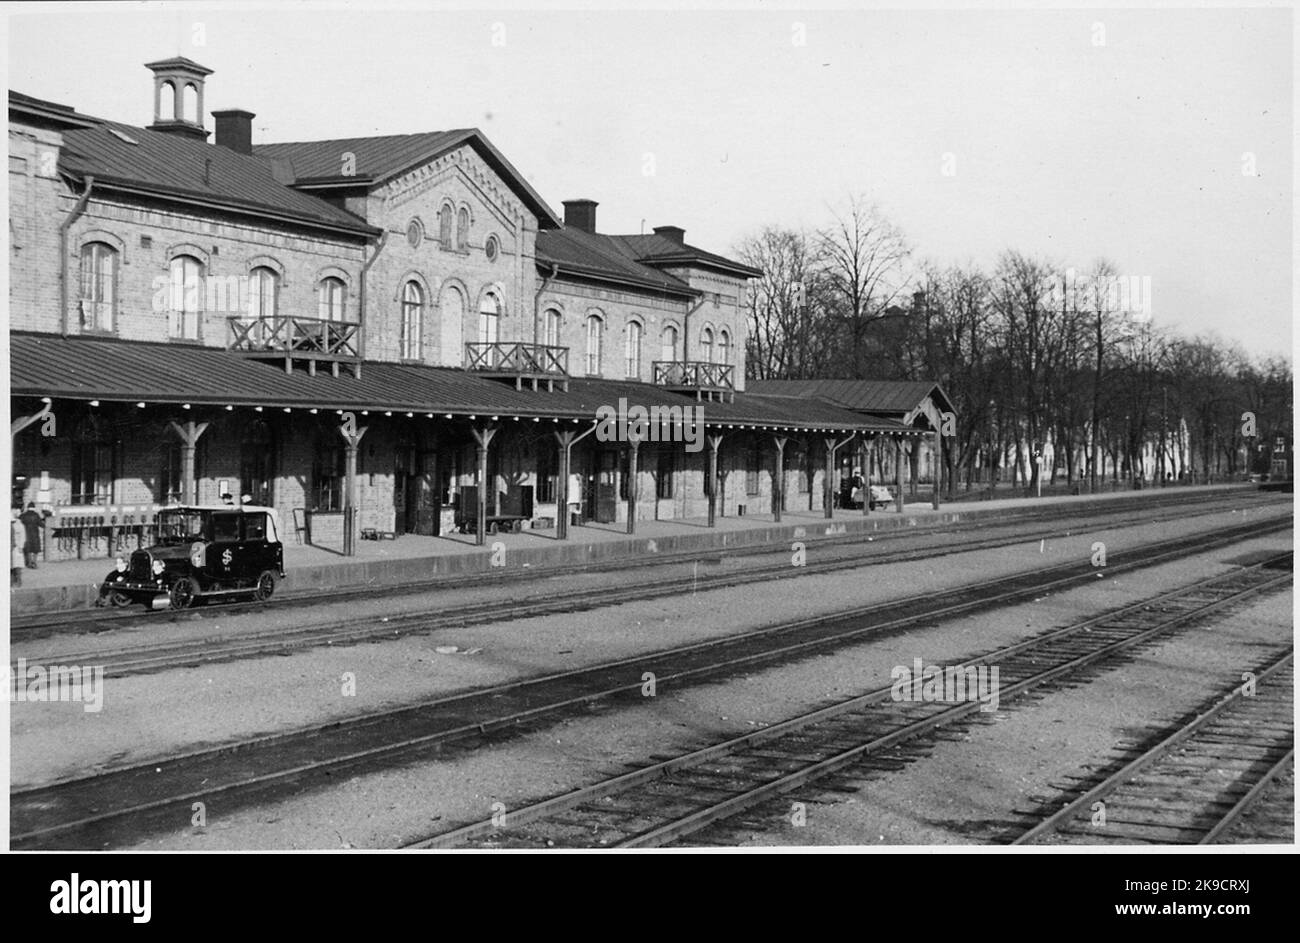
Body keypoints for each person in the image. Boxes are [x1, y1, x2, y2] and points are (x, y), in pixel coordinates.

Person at [20, 502, 43, 568]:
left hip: (27, 534)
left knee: (28, 549)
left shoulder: (23, 515)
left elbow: (19, 521)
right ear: (34, 508)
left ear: (28, 507)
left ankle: (29, 563)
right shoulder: (36, 515)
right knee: (36, 549)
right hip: (35, 533)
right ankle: (34, 562)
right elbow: (41, 524)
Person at [11, 510, 25, 588]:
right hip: (12, 547)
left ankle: (18, 581)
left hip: (17, 547)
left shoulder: (20, 525)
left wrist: (21, 546)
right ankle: (13, 581)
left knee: (17, 565)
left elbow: (23, 536)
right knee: (12, 565)